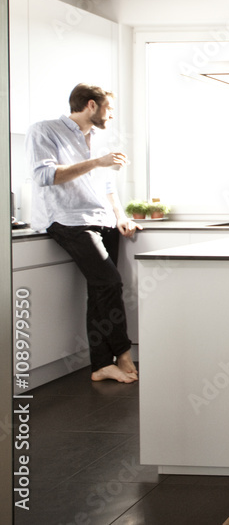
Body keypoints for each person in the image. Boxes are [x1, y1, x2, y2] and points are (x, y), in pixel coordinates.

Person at [25, 83, 142, 384]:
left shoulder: (100, 140)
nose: (111, 116)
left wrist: (121, 216)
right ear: (91, 105)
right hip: (68, 220)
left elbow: (106, 185)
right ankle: (123, 352)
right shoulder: (44, 130)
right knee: (110, 281)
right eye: (109, 109)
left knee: (100, 289)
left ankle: (101, 365)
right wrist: (98, 162)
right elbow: (45, 176)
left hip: (102, 219)